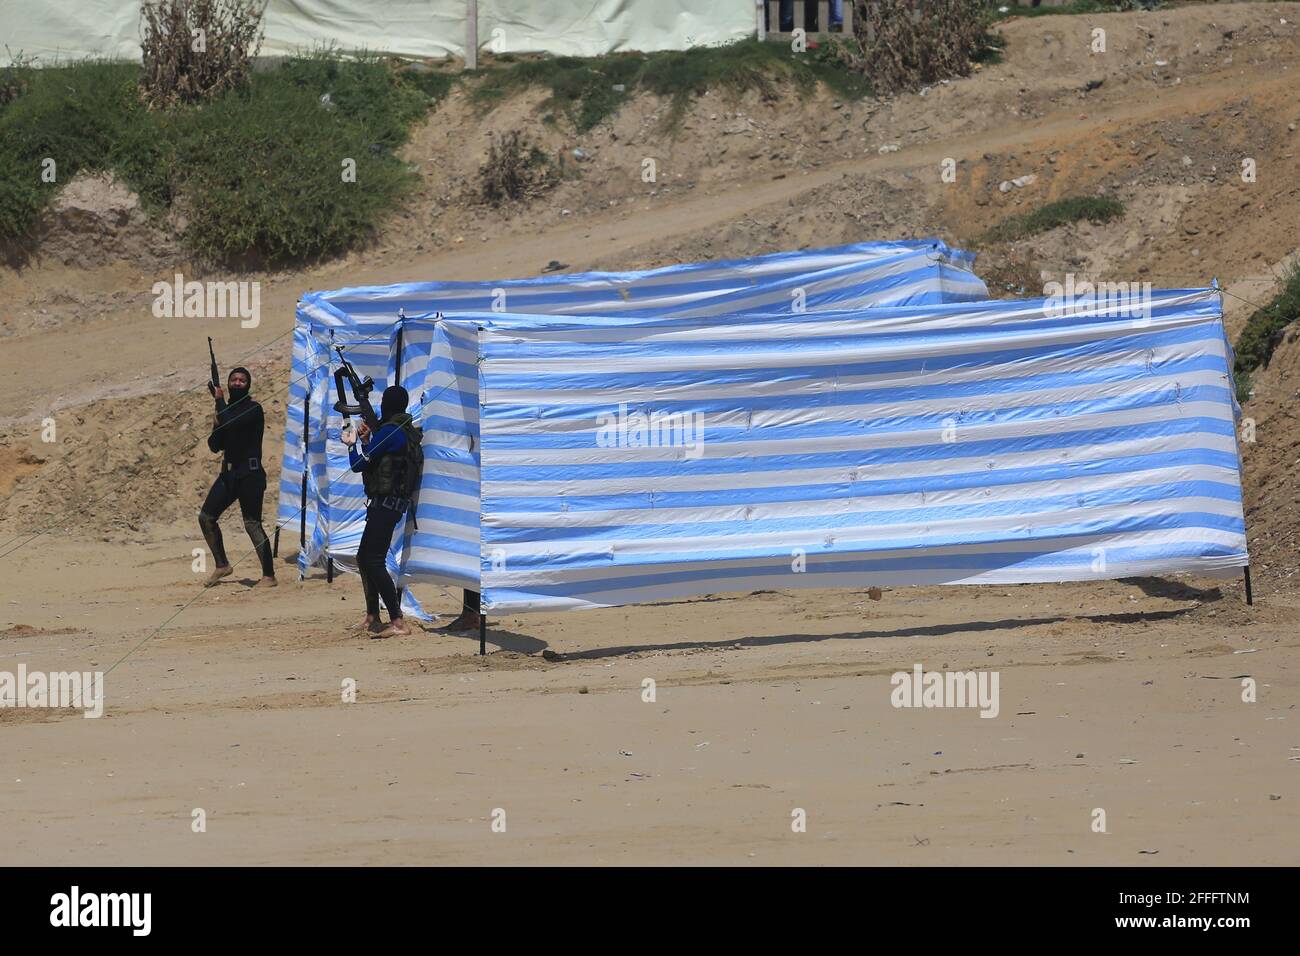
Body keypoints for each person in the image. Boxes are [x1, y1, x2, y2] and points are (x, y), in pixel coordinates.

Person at [344, 385, 419, 638]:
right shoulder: (402, 431)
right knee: (364, 556)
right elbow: (380, 459)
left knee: (373, 560)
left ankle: (397, 621)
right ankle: (372, 616)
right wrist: (367, 440)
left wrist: (352, 444)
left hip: (385, 505)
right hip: (389, 504)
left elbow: (358, 464)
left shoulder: (390, 431)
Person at [199, 367, 276, 588]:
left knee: (252, 524)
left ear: (248, 385)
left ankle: (269, 576)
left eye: (242, 380)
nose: (238, 383)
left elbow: (232, 422)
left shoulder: (253, 409)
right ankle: (222, 564)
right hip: (229, 474)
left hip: (250, 475)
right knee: (206, 517)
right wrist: (216, 423)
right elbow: (215, 446)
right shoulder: (225, 412)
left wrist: (220, 403)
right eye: (234, 379)